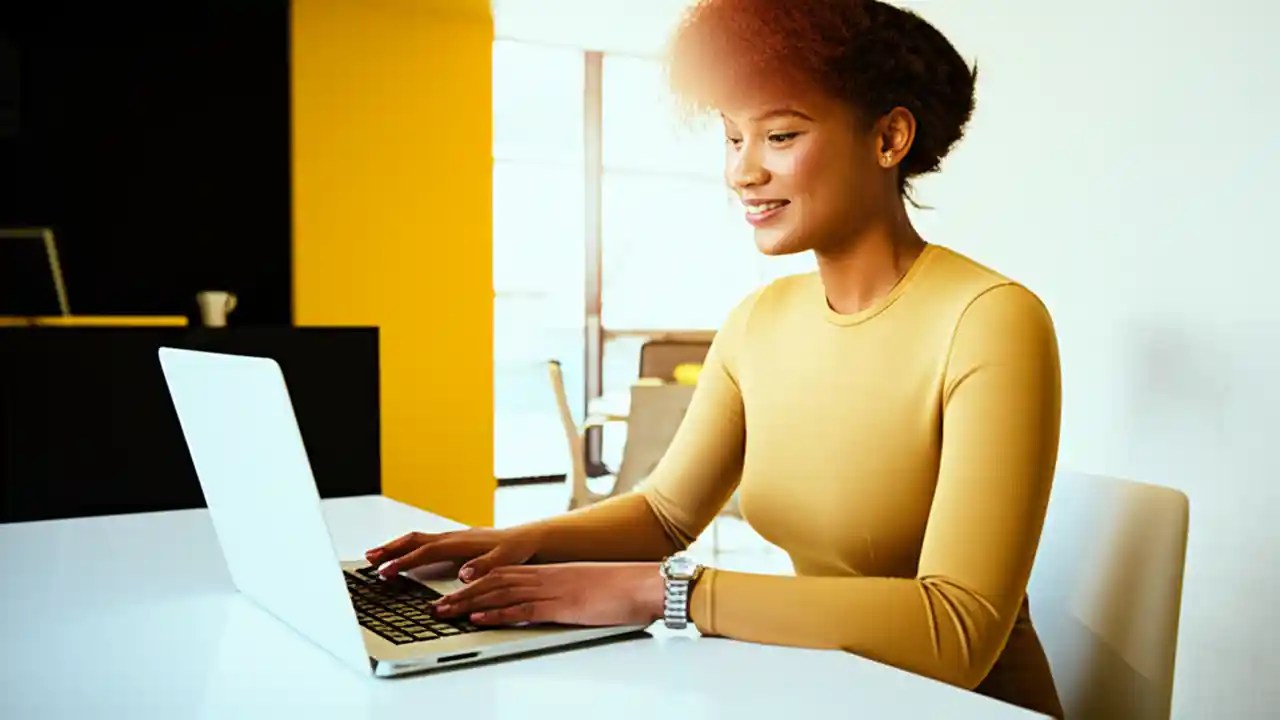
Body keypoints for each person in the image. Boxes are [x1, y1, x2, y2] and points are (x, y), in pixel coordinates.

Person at [368, 0, 1064, 716]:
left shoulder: (990, 320)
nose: (743, 173)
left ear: (889, 137)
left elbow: (959, 629)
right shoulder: (760, 320)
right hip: (835, 694)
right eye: (733, 139)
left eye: (780, 135)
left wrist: (670, 593)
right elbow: (665, 516)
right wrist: (508, 545)